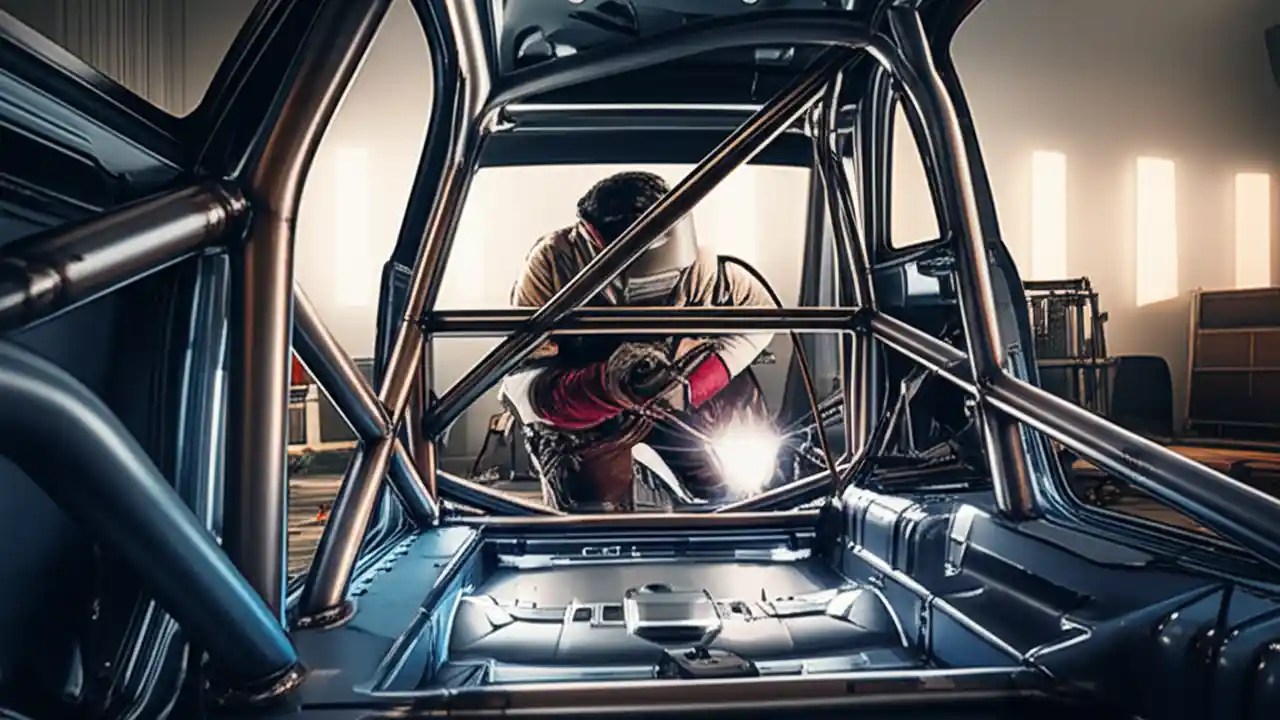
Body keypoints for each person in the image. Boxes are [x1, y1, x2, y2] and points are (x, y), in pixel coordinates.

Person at [498, 171, 777, 512]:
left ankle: (732, 506)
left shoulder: (708, 273)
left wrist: (691, 387)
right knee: (591, 508)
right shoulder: (553, 266)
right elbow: (528, 387)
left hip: (678, 399)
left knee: (734, 487)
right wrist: (607, 385)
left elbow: (759, 321)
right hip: (593, 414)